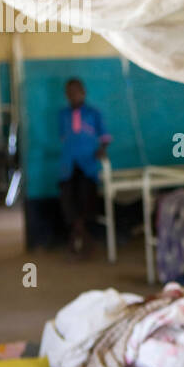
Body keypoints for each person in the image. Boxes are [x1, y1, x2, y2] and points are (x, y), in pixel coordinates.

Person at [57, 78, 110, 256]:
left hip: (88, 164)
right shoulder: (63, 114)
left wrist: (101, 150)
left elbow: (104, 137)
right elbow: (63, 137)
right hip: (68, 164)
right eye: (69, 92)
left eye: (76, 91)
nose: (73, 95)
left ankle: (78, 238)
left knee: (86, 199)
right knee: (68, 199)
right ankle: (81, 237)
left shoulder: (93, 113)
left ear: (84, 92)